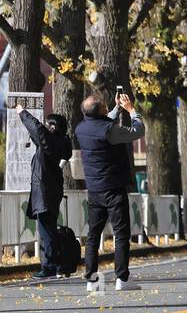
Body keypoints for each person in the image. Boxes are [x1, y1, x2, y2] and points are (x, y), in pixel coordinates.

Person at [75, 91, 145, 293]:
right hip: (113, 187)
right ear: (102, 111)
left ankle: (91, 279)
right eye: (106, 107)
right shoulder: (110, 131)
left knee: (93, 234)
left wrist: (116, 109)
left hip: (94, 190)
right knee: (121, 233)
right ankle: (122, 278)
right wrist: (132, 111)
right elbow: (137, 131)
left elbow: (101, 124)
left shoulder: (81, 129)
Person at [16, 102, 72, 281]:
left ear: (53, 127)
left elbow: (38, 130)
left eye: (48, 124)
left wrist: (22, 112)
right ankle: (58, 265)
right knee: (50, 229)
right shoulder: (61, 143)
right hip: (52, 191)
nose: (45, 126)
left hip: (45, 191)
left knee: (46, 229)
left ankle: (49, 266)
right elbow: (38, 135)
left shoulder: (50, 141)